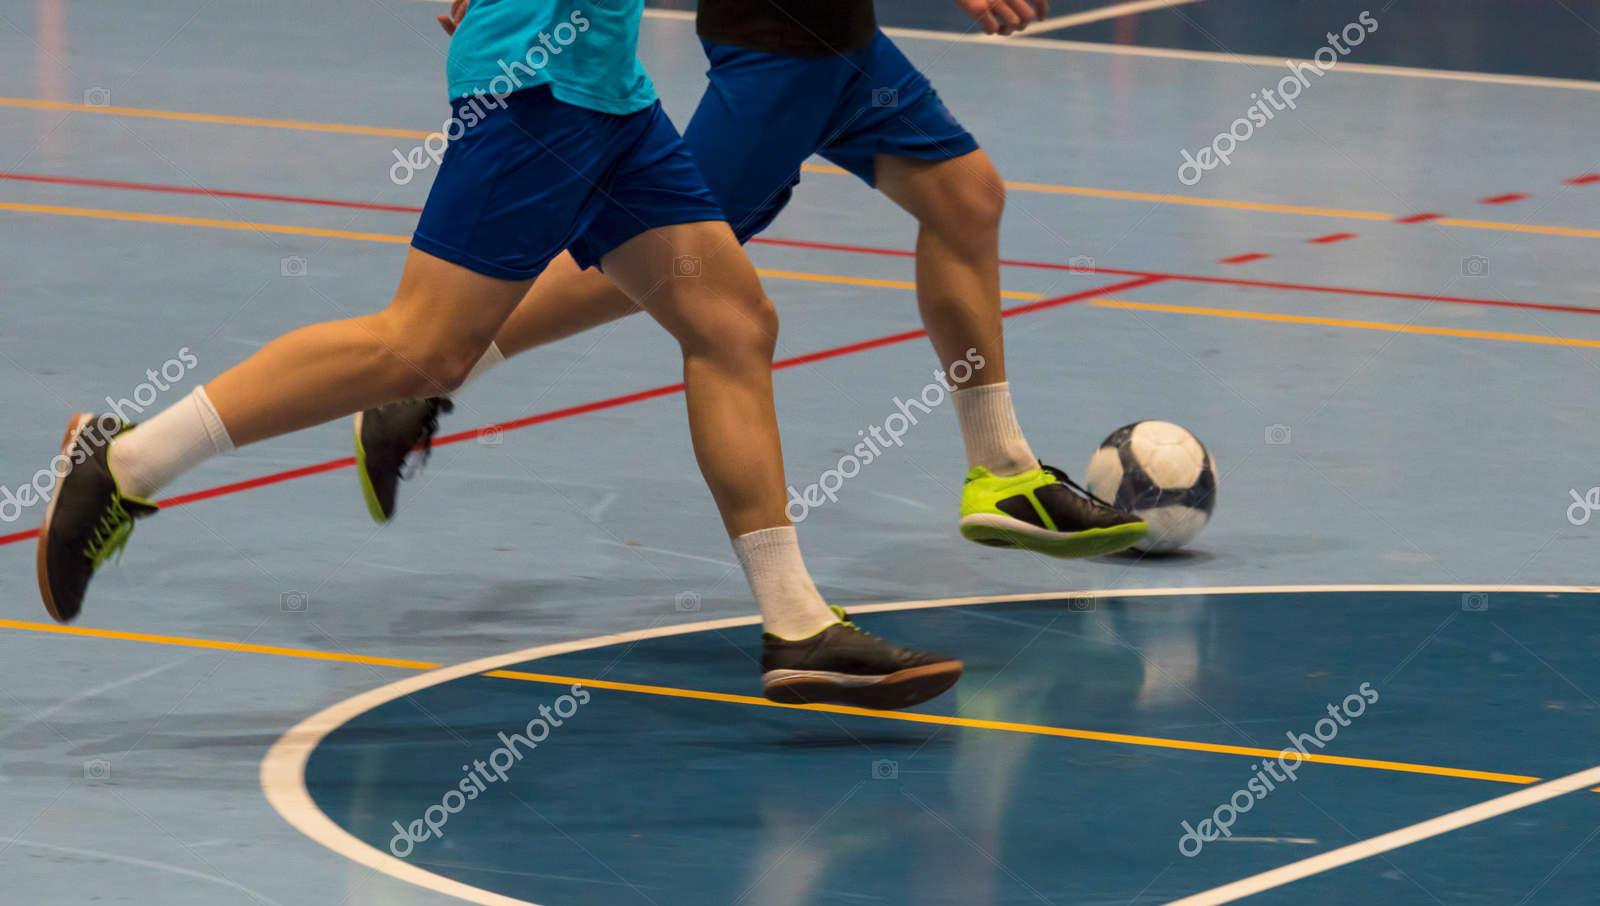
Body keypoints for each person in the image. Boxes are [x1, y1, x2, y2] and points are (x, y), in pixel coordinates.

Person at [34, 0, 965, 711]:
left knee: (732, 323)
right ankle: (123, 461)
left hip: (607, 87)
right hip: (540, 87)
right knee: (421, 350)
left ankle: (796, 625)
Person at [357, 0, 1148, 566]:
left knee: (966, 198)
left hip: (842, 41)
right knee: (669, 260)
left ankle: (1003, 474)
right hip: (778, 44)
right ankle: (434, 368)